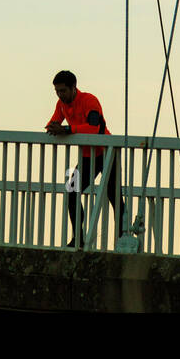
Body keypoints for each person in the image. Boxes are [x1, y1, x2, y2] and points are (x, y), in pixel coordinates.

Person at [44, 69, 125, 247]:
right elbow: (53, 123)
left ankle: (121, 240)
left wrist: (66, 130)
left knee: (114, 196)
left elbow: (94, 128)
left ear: (74, 88)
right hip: (88, 155)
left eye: (63, 90)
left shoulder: (89, 100)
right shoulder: (61, 104)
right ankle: (78, 238)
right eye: (57, 91)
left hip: (107, 153)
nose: (60, 95)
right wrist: (53, 127)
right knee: (72, 191)